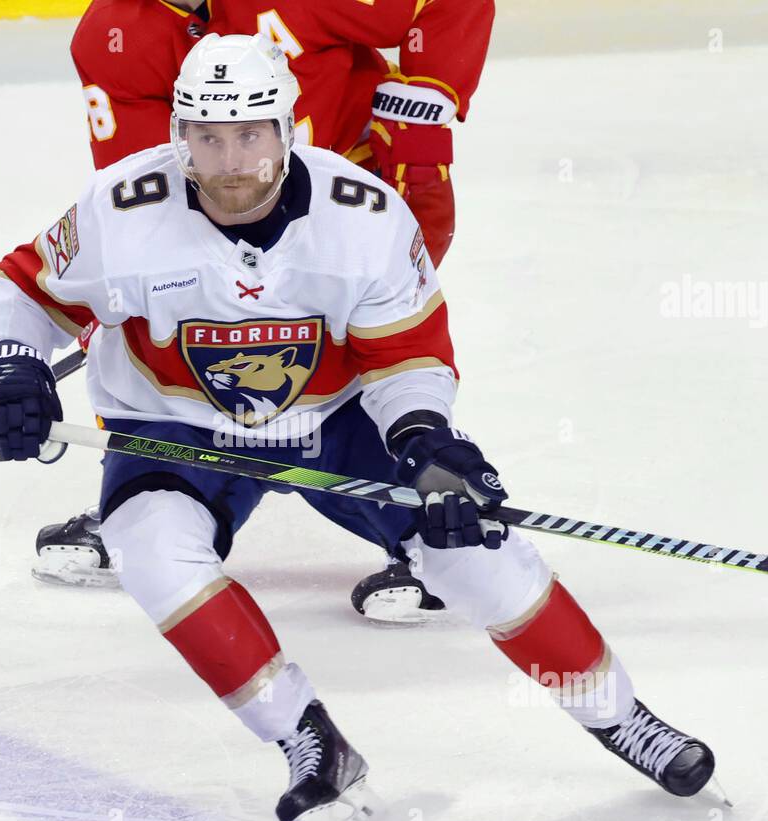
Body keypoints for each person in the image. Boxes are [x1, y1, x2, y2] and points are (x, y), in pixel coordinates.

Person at [0, 34, 716, 821]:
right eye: (208, 138)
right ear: (181, 135)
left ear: (289, 129)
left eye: (250, 134)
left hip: (337, 419)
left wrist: (425, 438)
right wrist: (11, 360)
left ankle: (622, 718)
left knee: (473, 551)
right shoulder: (123, 207)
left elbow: (408, 356)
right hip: (176, 425)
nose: (230, 161)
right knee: (146, 542)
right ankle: (308, 742)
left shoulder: (365, 217)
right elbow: (27, 286)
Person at [36, 0, 495, 625]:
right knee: (152, 348)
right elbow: (149, 201)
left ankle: (422, 519)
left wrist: (428, 98)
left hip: (347, 235)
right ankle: (153, 497)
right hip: (223, 245)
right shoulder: (113, 35)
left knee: (363, 382)